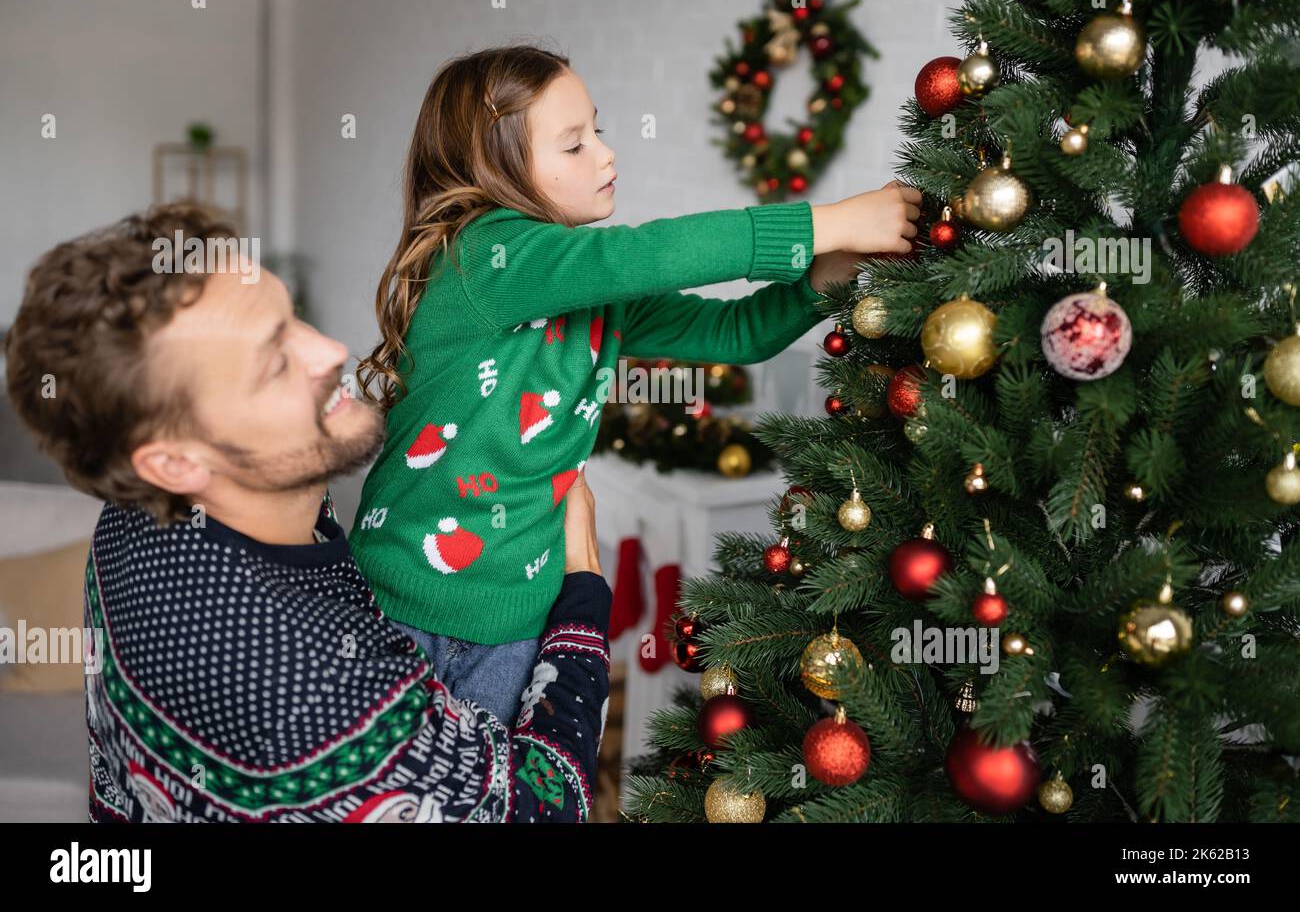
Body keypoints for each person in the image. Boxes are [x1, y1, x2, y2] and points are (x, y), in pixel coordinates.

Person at [352, 43, 923, 723]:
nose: (605, 155)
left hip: (515, 617)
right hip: (398, 603)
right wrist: (827, 220)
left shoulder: (596, 291)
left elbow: (737, 333)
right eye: (573, 145)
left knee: (491, 793)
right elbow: (650, 251)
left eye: (600, 131)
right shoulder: (486, 254)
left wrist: (832, 267)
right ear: (493, 169)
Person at [4, 202, 611, 822]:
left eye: (291, 317)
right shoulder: (313, 693)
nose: (329, 350)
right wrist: (583, 588)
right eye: (274, 362)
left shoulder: (134, 511)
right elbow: (546, 804)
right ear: (176, 462)